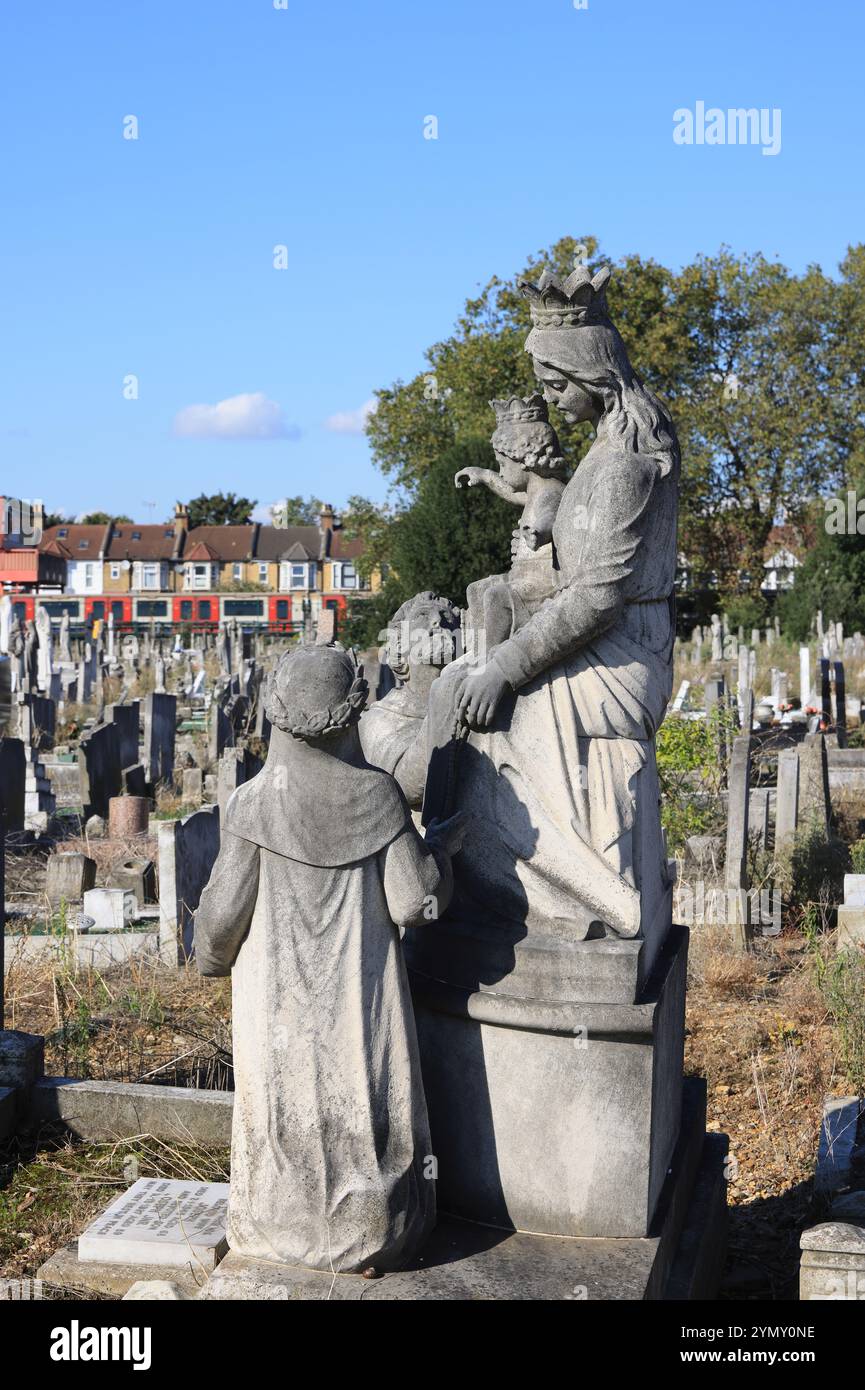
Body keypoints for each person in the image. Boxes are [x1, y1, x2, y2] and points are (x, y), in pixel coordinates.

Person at [195, 644, 466, 1273]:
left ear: (278, 718)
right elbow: (415, 902)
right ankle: (374, 1228)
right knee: (364, 1112)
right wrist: (442, 854)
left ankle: (280, 1224)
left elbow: (216, 935)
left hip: (277, 1021)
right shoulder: (380, 799)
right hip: (358, 1012)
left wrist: (209, 946)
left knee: (281, 1120)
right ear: (351, 718)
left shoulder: (252, 806)